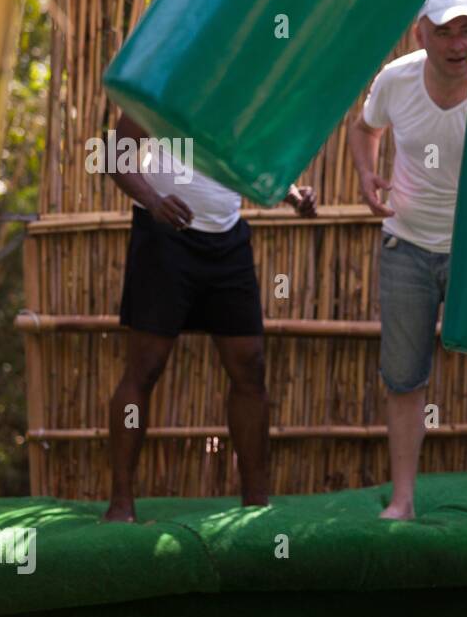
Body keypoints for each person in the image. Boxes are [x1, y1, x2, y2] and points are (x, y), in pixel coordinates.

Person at [349, 0, 467, 542]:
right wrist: (367, 173)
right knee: (403, 379)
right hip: (405, 246)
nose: (458, 44)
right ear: (421, 34)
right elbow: (364, 128)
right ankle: (403, 501)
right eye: (445, 32)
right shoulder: (396, 80)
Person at [105, 114, 317, 522]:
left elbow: (256, 162)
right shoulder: (163, 87)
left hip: (227, 242)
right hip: (164, 237)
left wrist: (293, 195)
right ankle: (121, 502)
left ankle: (256, 503)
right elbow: (115, 155)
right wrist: (154, 202)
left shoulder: (249, 99)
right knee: (145, 366)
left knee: (250, 365)